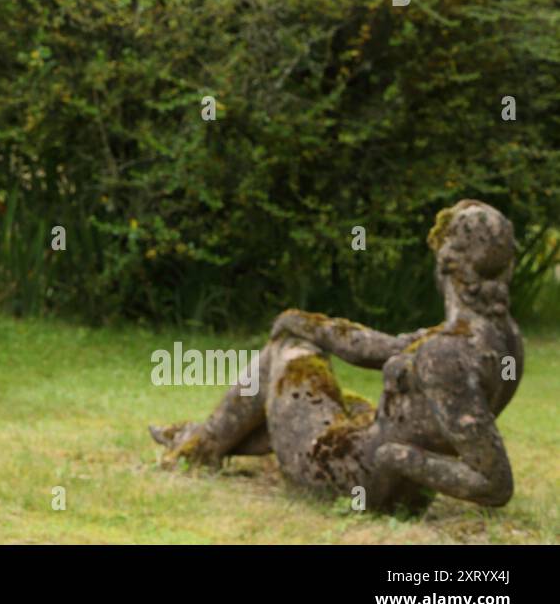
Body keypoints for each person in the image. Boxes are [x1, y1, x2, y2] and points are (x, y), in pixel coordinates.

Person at [149, 199, 523, 513]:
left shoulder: (446, 353)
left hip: (343, 478)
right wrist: (311, 323)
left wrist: (397, 457)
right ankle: (203, 438)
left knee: (287, 352)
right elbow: (377, 348)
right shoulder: (504, 342)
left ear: (445, 263)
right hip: (389, 486)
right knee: (332, 394)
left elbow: (494, 483)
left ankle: (201, 447)